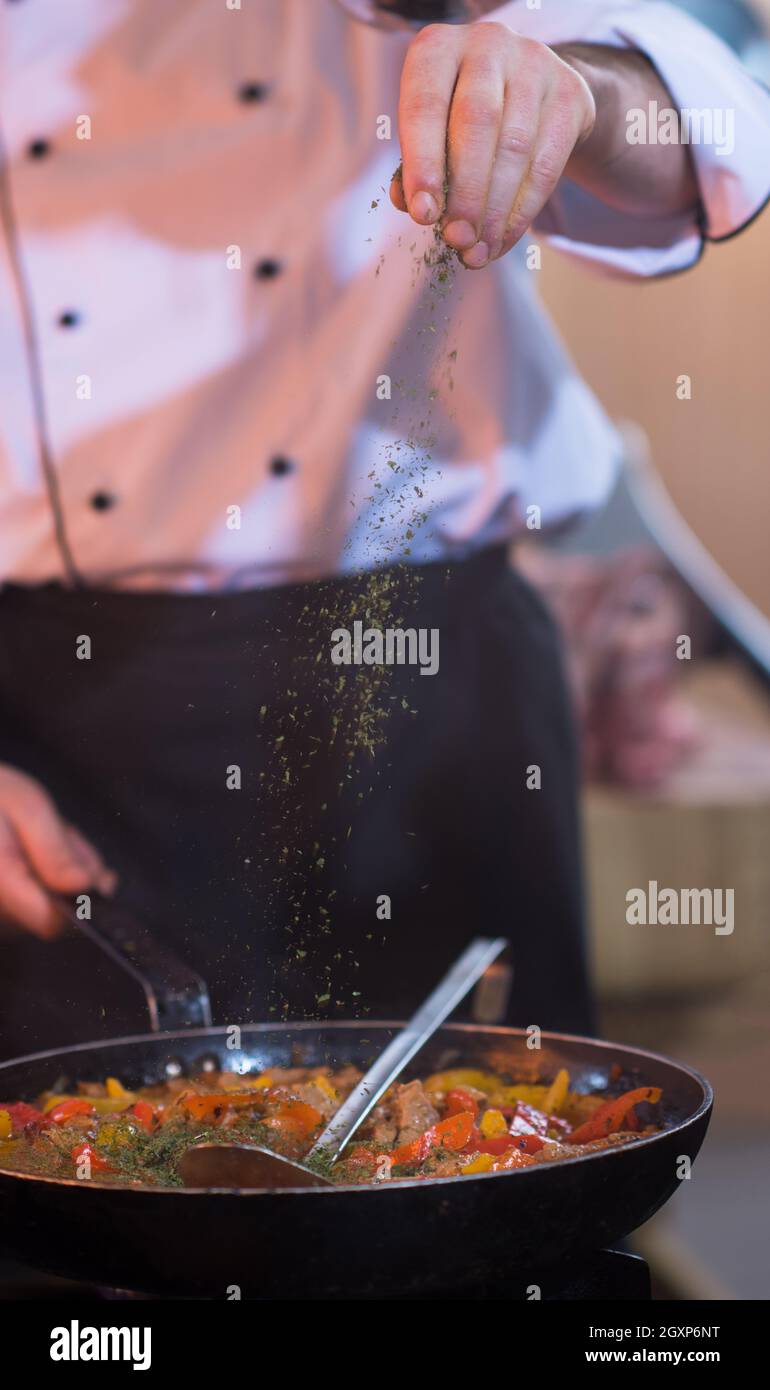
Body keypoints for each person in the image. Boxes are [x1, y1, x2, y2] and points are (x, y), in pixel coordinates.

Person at [0, 0, 767, 1055]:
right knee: (69, 1185)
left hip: (430, 691)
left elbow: (699, 103)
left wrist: (571, 94)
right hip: (54, 727)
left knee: (504, 1157)